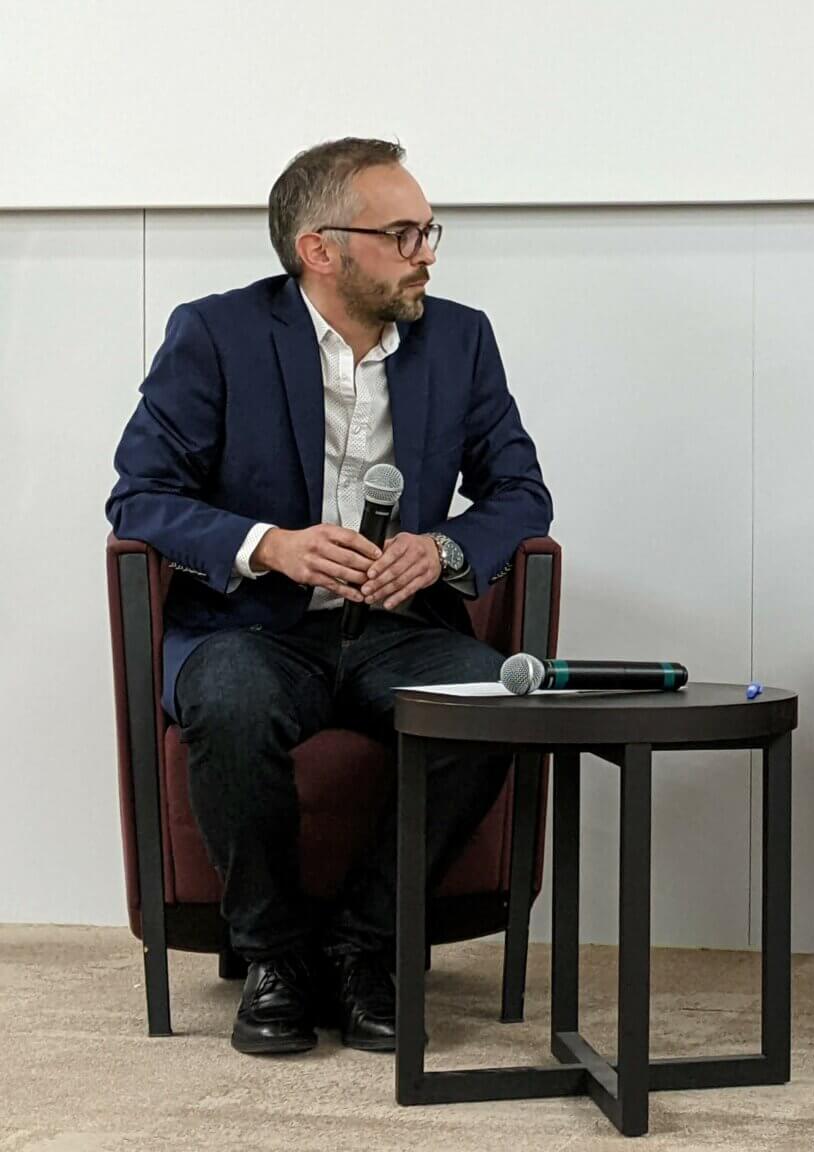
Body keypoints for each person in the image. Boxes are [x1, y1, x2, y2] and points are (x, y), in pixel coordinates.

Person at [106, 138, 553, 1056]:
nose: (428, 250)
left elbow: (520, 493)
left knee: (493, 703)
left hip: (400, 632)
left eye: (429, 229)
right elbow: (140, 496)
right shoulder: (217, 333)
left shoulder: (460, 338)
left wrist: (442, 550)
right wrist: (269, 544)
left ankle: (365, 946)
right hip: (252, 627)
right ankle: (273, 957)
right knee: (229, 699)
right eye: (403, 234)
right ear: (321, 248)